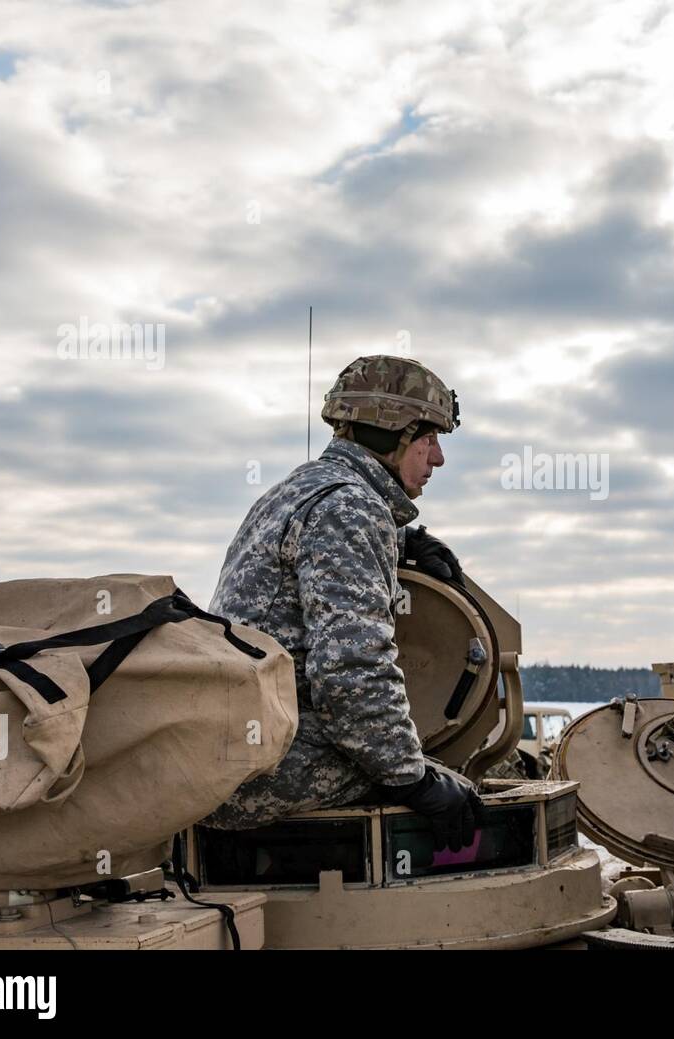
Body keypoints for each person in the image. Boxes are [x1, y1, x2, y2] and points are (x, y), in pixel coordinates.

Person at [201, 355, 483, 851]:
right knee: (459, 788)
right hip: (263, 769)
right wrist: (412, 780)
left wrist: (402, 539)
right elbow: (350, 673)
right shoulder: (350, 509)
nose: (437, 458)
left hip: (234, 745)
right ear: (391, 433)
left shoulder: (294, 490)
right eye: (429, 439)